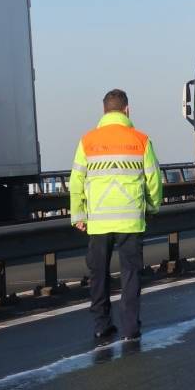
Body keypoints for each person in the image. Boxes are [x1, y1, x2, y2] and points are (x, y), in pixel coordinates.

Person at [69, 89, 163, 343]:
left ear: (103, 112)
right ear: (127, 111)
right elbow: (153, 179)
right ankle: (130, 329)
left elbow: (76, 181)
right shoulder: (141, 140)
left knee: (98, 275)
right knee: (130, 274)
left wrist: (78, 214)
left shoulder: (87, 141)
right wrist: (153, 207)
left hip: (98, 222)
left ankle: (102, 325)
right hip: (131, 220)